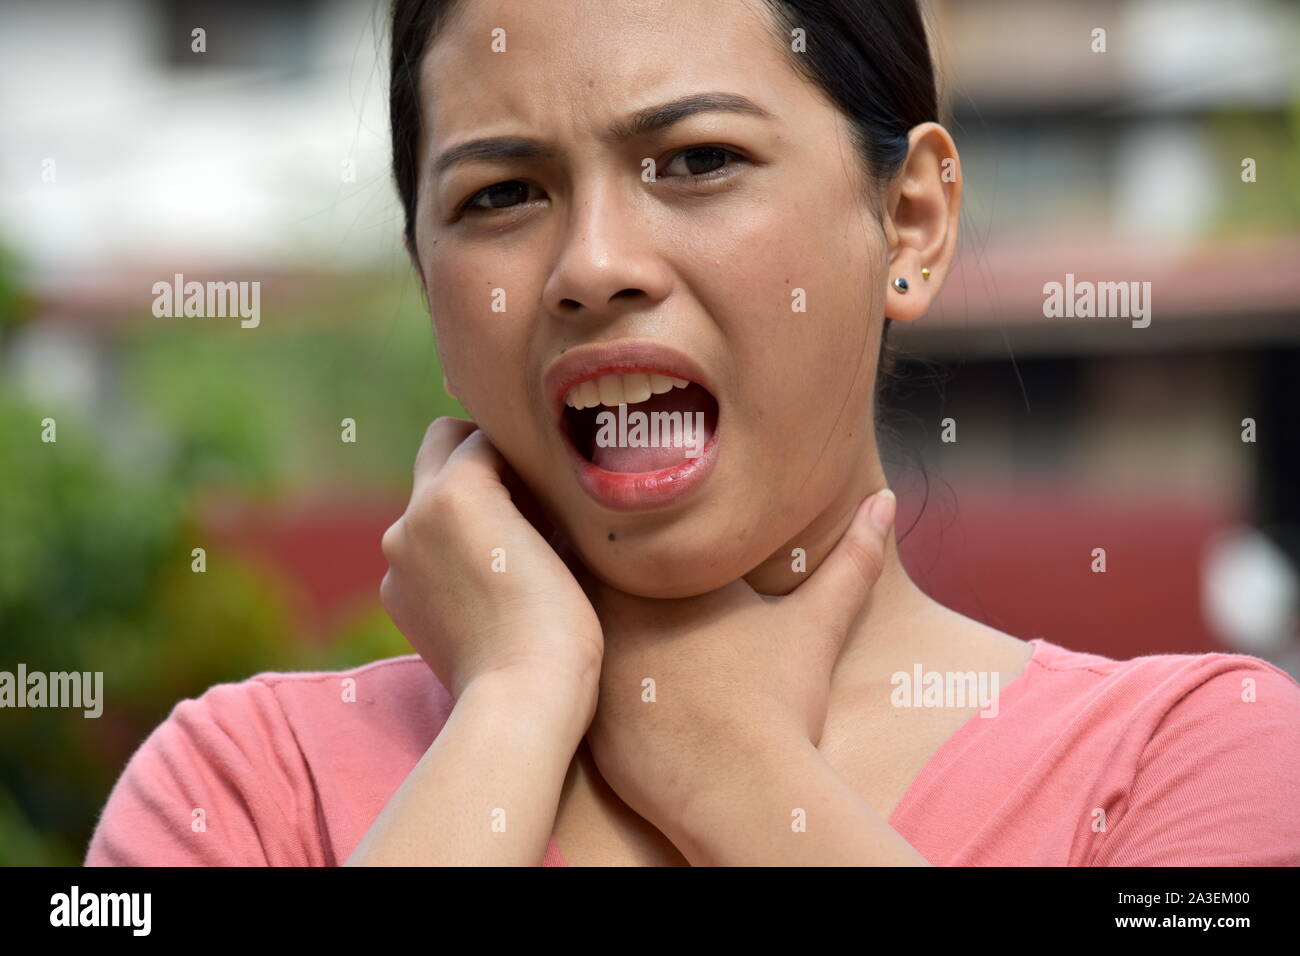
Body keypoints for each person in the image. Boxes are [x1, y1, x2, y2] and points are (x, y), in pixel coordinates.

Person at [86, 0, 1300, 867]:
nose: (594, 266)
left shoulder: (1187, 763)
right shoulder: (240, 790)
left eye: (697, 159)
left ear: (914, 220)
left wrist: (732, 773)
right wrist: (511, 704)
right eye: (499, 194)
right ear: (424, 273)